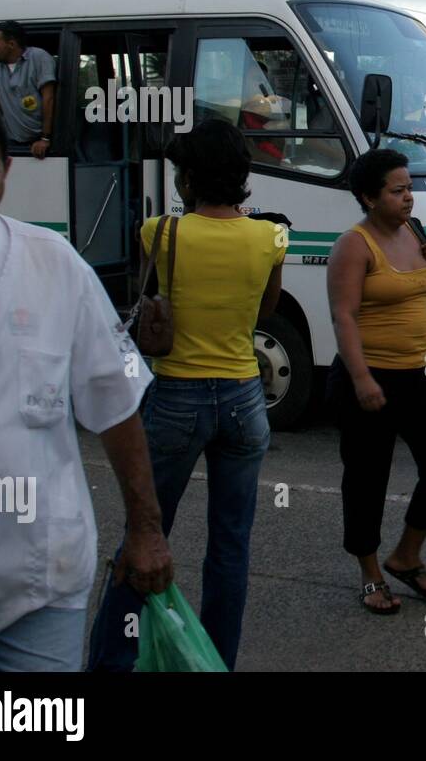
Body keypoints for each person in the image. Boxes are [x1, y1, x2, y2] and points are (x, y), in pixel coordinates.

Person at [0, 95, 171, 671]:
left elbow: (116, 402)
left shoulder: (54, 263)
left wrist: (146, 531)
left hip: (40, 578)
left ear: (7, 171)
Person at [88, 120, 286, 670]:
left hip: (176, 396)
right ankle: (215, 660)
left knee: (145, 536)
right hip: (246, 400)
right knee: (230, 547)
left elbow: (155, 293)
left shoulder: (161, 232)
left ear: (190, 177)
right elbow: (265, 310)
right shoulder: (270, 237)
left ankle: (112, 659)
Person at [325, 149, 426, 615]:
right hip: (368, 378)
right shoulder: (354, 244)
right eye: (398, 190)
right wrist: (362, 377)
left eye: (409, 188)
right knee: (367, 477)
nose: (409, 197)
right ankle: (370, 574)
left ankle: (406, 555)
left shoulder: (411, 231)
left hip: (416, 372)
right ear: (368, 197)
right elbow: (343, 315)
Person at [0, 21, 55, 160]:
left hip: (39, 140)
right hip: (12, 141)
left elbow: (49, 98)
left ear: (11, 44)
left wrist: (45, 138)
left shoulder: (39, 58)